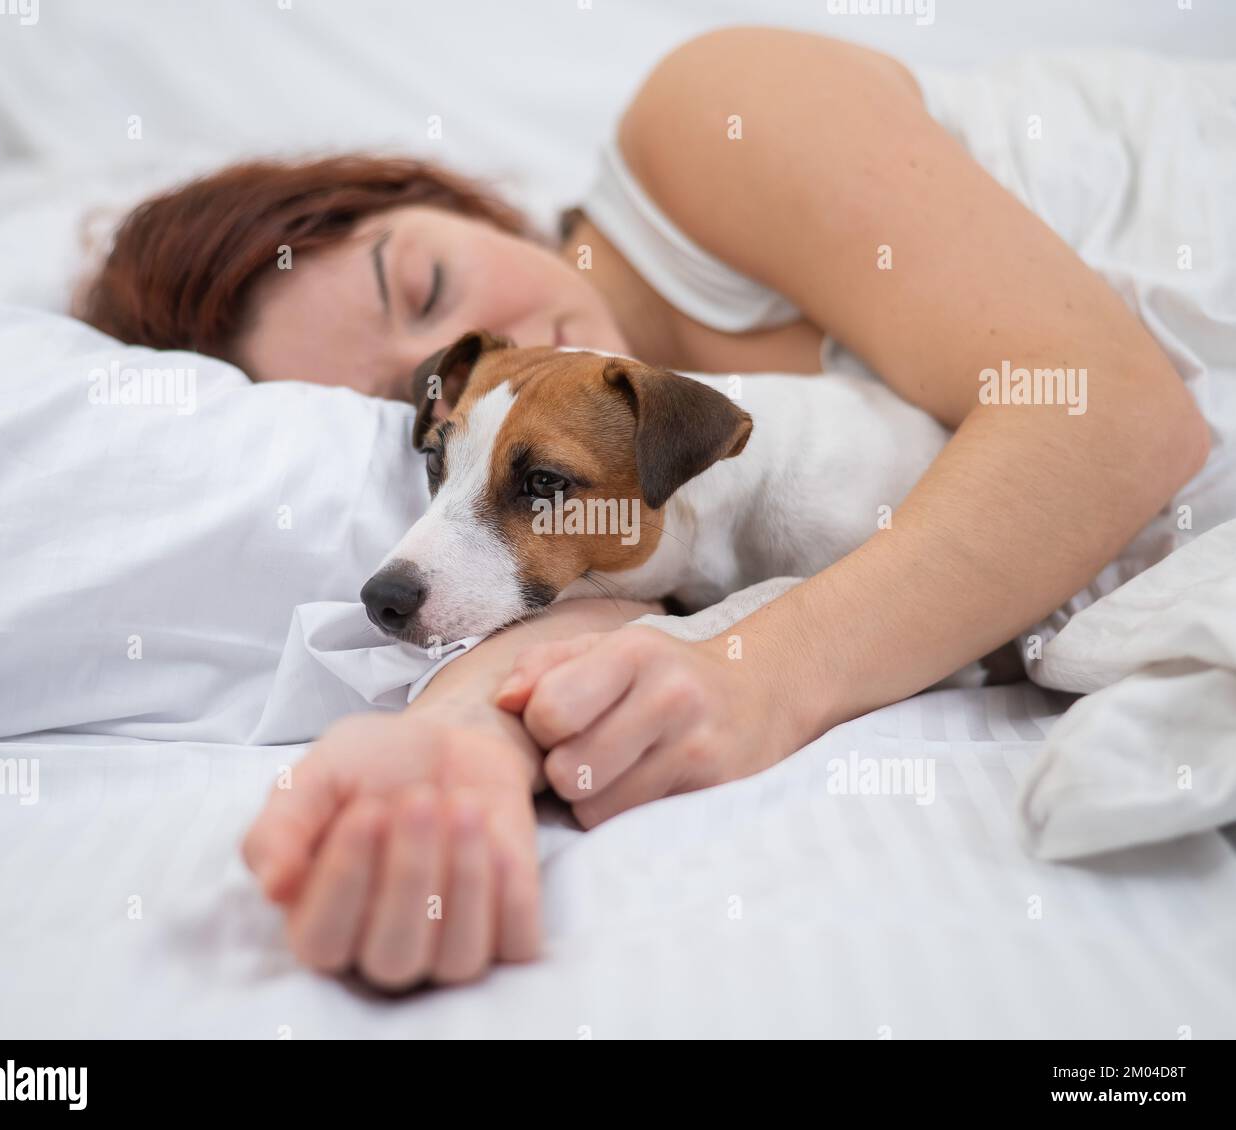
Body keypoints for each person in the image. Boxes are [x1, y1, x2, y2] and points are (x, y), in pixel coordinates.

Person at [76, 28, 1229, 990]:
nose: (482, 352)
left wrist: (763, 671)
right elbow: (601, 596)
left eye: (422, 283)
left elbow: (1114, 417)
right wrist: (458, 739)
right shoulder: (617, 485)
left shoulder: (703, 119)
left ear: (448, 198)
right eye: (419, 394)